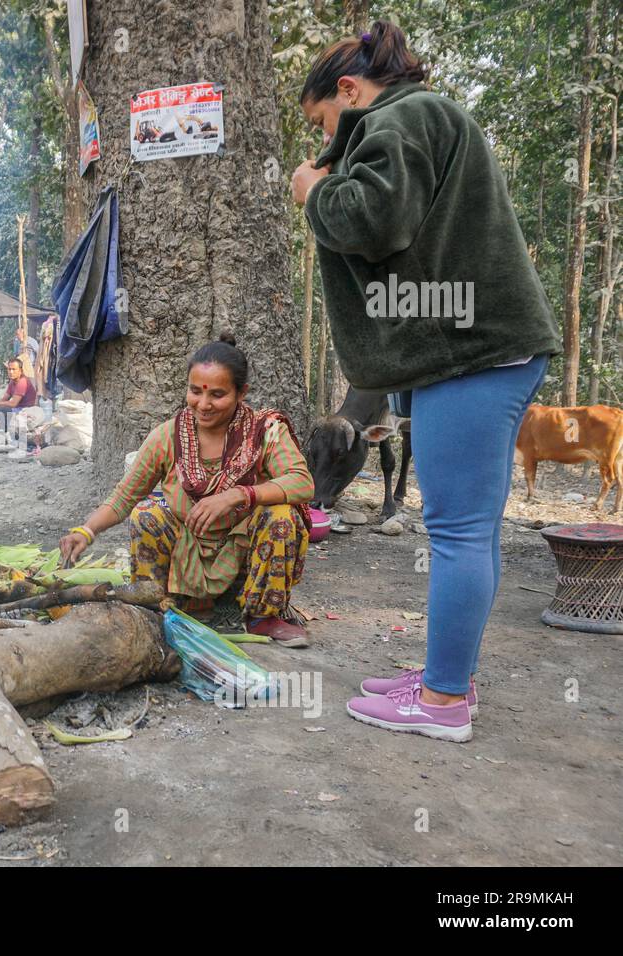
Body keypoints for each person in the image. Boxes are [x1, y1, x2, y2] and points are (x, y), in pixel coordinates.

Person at [291, 21, 560, 740]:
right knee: (469, 531)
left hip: (471, 352)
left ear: (348, 90)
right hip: (477, 346)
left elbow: (374, 219)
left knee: (459, 530)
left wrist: (314, 189)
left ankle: (442, 703)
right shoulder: (427, 116)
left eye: (324, 122)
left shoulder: (401, 116)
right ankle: (449, 679)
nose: (326, 143)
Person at [59, 335, 315, 648]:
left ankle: (263, 616)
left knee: (281, 514)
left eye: (218, 395)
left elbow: (301, 482)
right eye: (195, 391)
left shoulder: (265, 431)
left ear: (241, 393)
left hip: (246, 558)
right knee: (147, 513)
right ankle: (158, 606)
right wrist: (86, 531)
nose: (203, 404)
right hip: (187, 555)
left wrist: (238, 494)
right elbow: (125, 497)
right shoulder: (168, 436)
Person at [0, 358, 38, 434]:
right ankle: (4, 429)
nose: (11, 372)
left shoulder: (22, 382)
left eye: (14, 369)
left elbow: (13, 403)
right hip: (18, 409)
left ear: (20, 370)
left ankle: (7, 431)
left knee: (2, 409)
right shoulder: (12, 382)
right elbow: (4, 399)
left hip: (26, 410)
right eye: (9, 369)